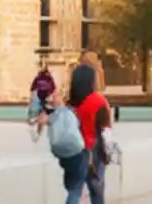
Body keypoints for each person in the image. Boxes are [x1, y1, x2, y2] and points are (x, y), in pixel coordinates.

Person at [66, 64, 113, 204]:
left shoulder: (70, 104)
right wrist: (108, 154)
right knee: (96, 192)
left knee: (74, 190)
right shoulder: (98, 101)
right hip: (94, 151)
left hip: (74, 152)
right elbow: (106, 131)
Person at [28, 63, 58, 139]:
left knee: (42, 115)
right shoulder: (49, 78)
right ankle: (38, 128)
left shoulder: (38, 78)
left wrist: (31, 99)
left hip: (40, 98)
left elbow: (32, 89)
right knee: (45, 114)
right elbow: (54, 89)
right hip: (45, 99)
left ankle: (36, 125)